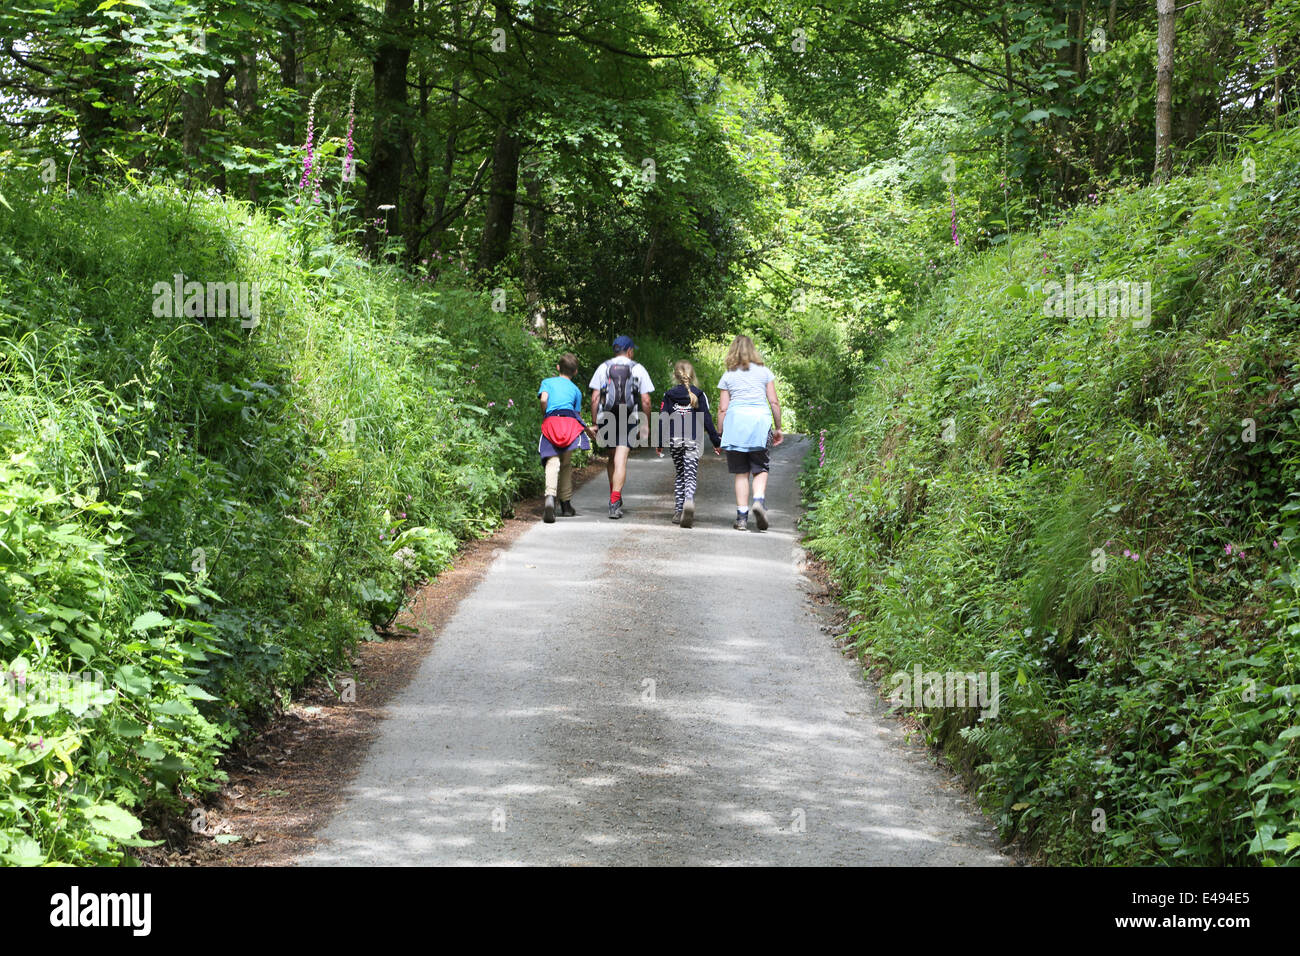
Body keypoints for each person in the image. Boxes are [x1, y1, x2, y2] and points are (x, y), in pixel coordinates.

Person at [716, 334, 783, 531]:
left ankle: (742, 518)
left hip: (736, 424)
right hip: (759, 424)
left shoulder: (728, 375)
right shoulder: (764, 372)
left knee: (741, 472)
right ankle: (759, 501)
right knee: (760, 467)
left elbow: (722, 409)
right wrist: (778, 427)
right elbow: (774, 402)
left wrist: (720, 433)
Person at [589, 334, 654, 519]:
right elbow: (646, 400)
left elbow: (595, 397)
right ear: (630, 351)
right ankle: (615, 500)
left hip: (606, 416)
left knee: (612, 459)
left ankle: (613, 494)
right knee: (621, 459)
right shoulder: (638, 369)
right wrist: (646, 423)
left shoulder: (603, 367)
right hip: (628, 417)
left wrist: (595, 423)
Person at [655, 360, 721, 528]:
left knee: (680, 474)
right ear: (692, 376)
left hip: (675, 441)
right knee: (690, 475)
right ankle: (689, 501)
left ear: (675, 376)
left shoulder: (668, 395)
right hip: (693, 440)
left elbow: (663, 418)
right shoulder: (699, 394)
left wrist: (660, 441)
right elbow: (707, 419)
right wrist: (715, 441)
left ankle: (678, 511)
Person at [537, 353, 595, 523]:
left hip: (552, 423)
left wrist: (545, 414)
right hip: (569, 424)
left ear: (557, 368)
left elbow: (543, 400)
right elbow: (575, 414)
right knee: (566, 464)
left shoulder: (547, 382)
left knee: (552, 461)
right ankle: (566, 505)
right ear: (575, 372)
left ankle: (549, 498)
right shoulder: (576, 390)